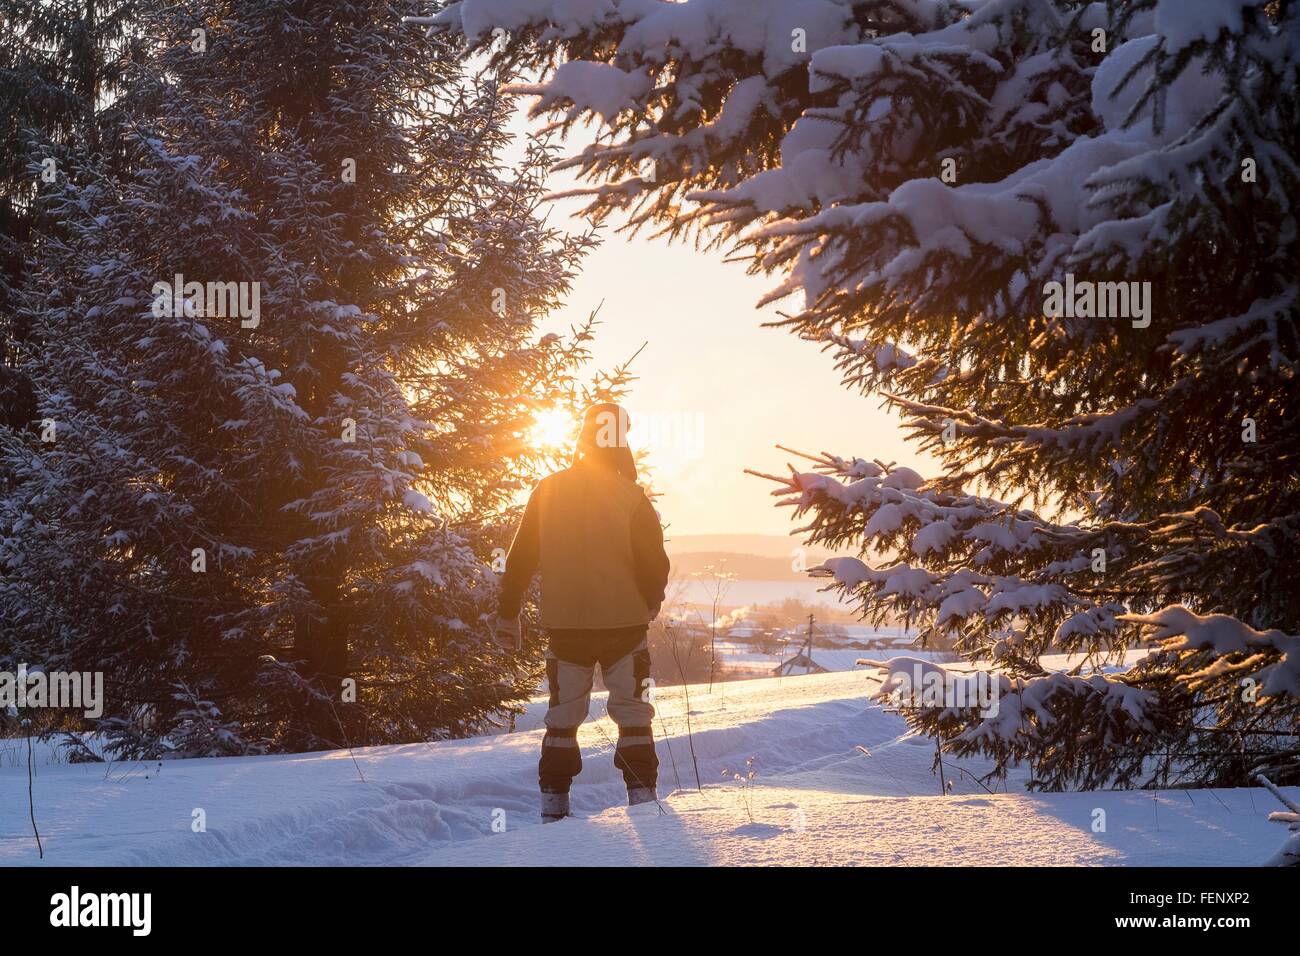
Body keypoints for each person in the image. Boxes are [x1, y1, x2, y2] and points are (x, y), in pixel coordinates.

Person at [494, 403, 670, 822]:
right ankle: (643, 807)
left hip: (566, 627)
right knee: (633, 717)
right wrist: (652, 599)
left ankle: (553, 810)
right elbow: (654, 561)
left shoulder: (548, 489)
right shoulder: (632, 495)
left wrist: (508, 613)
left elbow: (519, 559)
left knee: (562, 720)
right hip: (625, 627)